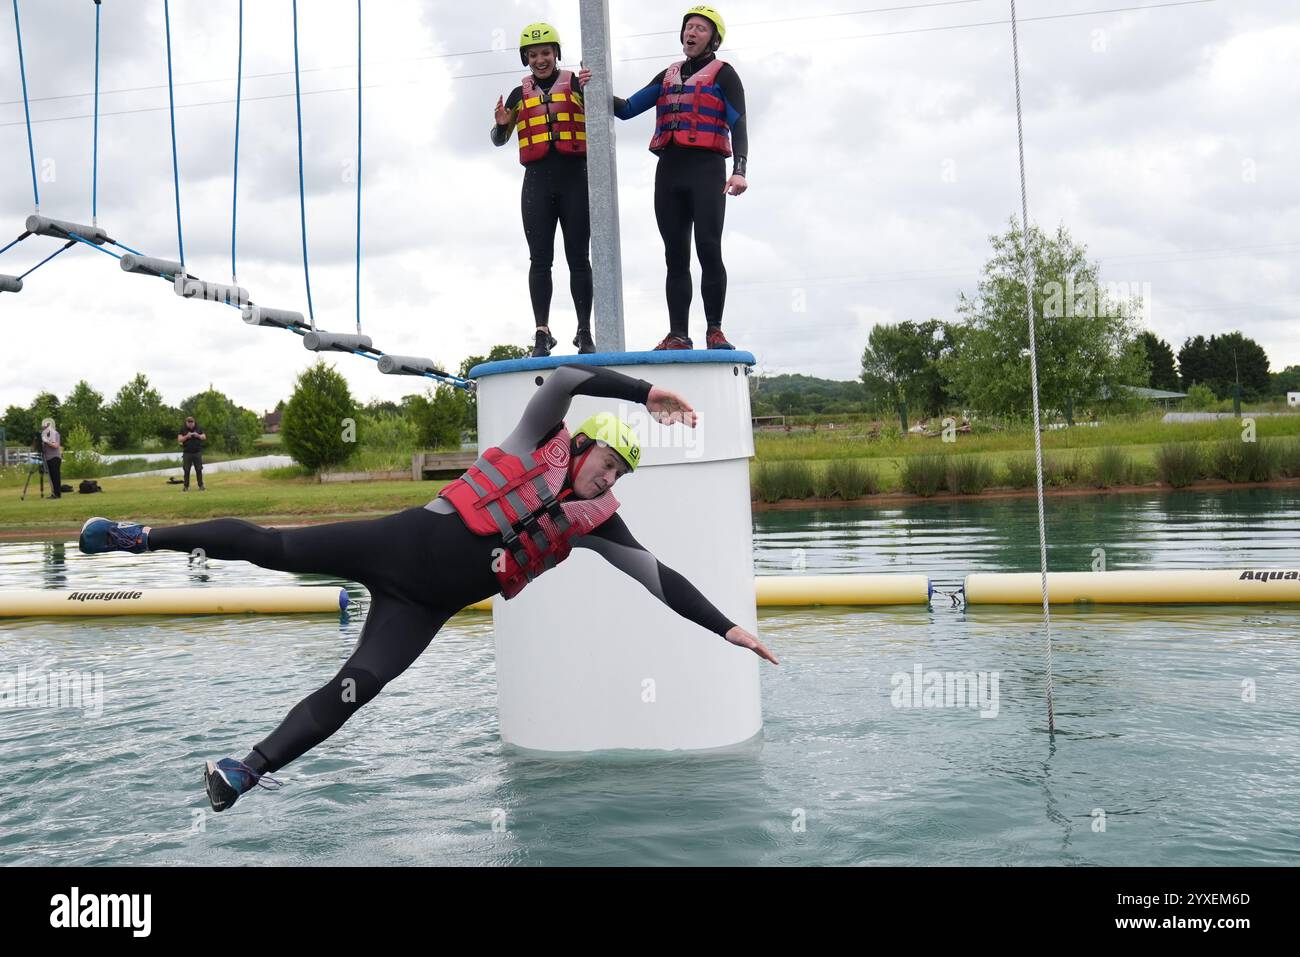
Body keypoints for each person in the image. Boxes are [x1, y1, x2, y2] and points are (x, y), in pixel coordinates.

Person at [79, 364, 777, 812]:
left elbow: (661, 580)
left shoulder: (596, 523)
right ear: (586, 444)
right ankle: (139, 537)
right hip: (398, 542)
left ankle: (244, 770)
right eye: (610, 462)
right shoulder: (539, 436)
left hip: (423, 608)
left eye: (623, 474)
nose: (611, 478)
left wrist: (728, 629)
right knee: (272, 547)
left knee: (358, 688)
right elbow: (566, 376)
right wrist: (646, 392)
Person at [609, 5, 748, 351]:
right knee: (675, 255)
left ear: (713, 38)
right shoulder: (667, 75)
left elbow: (739, 124)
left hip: (707, 170)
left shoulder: (724, 75)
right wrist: (589, 89)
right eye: (689, 27)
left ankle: (714, 330)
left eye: (701, 28)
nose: (692, 32)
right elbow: (626, 109)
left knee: (708, 249)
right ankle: (678, 334)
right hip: (669, 172)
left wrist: (740, 171)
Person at [492, 23, 596, 358]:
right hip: (537, 183)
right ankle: (542, 332)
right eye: (534, 54)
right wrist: (502, 122)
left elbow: (608, 108)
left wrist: (593, 86)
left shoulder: (577, 82)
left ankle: (583, 331)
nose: (540, 59)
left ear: (556, 54)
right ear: (526, 58)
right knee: (540, 260)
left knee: (578, 257)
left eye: (546, 53)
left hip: (575, 178)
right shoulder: (518, 94)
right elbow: (498, 139)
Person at [178, 415, 206, 492]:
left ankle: (201, 486)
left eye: (191, 422)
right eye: (188, 422)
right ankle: (186, 487)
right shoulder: (183, 429)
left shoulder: (199, 428)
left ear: (194, 422)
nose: (190, 424)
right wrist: (186, 436)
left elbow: (204, 437)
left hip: (197, 452)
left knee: (199, 469)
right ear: (186, 423)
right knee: (186, 470)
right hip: (187, 453)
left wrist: (198, 435)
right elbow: (179, 439)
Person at [40, 420, 62, 500]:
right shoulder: (44, 435)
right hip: (47, 458)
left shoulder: (55, 434)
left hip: (54, 458)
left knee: (55, 476)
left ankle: (57, 494)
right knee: (51, 477)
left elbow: (56, 445)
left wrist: (47, 442)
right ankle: (54, 493)